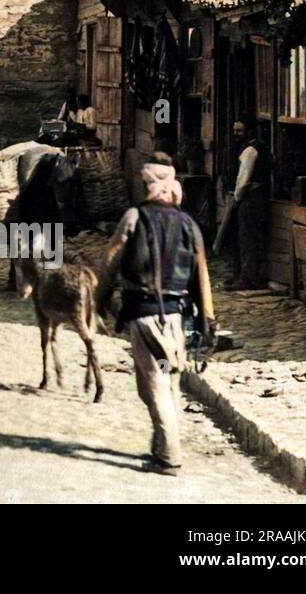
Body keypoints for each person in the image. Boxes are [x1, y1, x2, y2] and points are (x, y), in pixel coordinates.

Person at [101, 158, 216, 475]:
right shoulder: (189, 225)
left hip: (144, 314)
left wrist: (100, 302)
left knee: (152, 386)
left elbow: (109, 263)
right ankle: (160, 446)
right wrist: (208, 321)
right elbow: (202, 276)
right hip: (176, 318)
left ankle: (169, 457)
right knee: (168, 385)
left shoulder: (134, 218)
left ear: (147, 186)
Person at [228, 116, 272, 290]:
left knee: (248, 239)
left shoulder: (251, 150)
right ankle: (243, 275)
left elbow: (243, 179)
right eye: (235, 130)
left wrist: (237, 198)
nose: (236, 134)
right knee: (248, 238)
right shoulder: (257, 147)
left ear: (250, 131)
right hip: (257, 197)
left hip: (251, 198)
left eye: (239, 130)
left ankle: (248, 278)